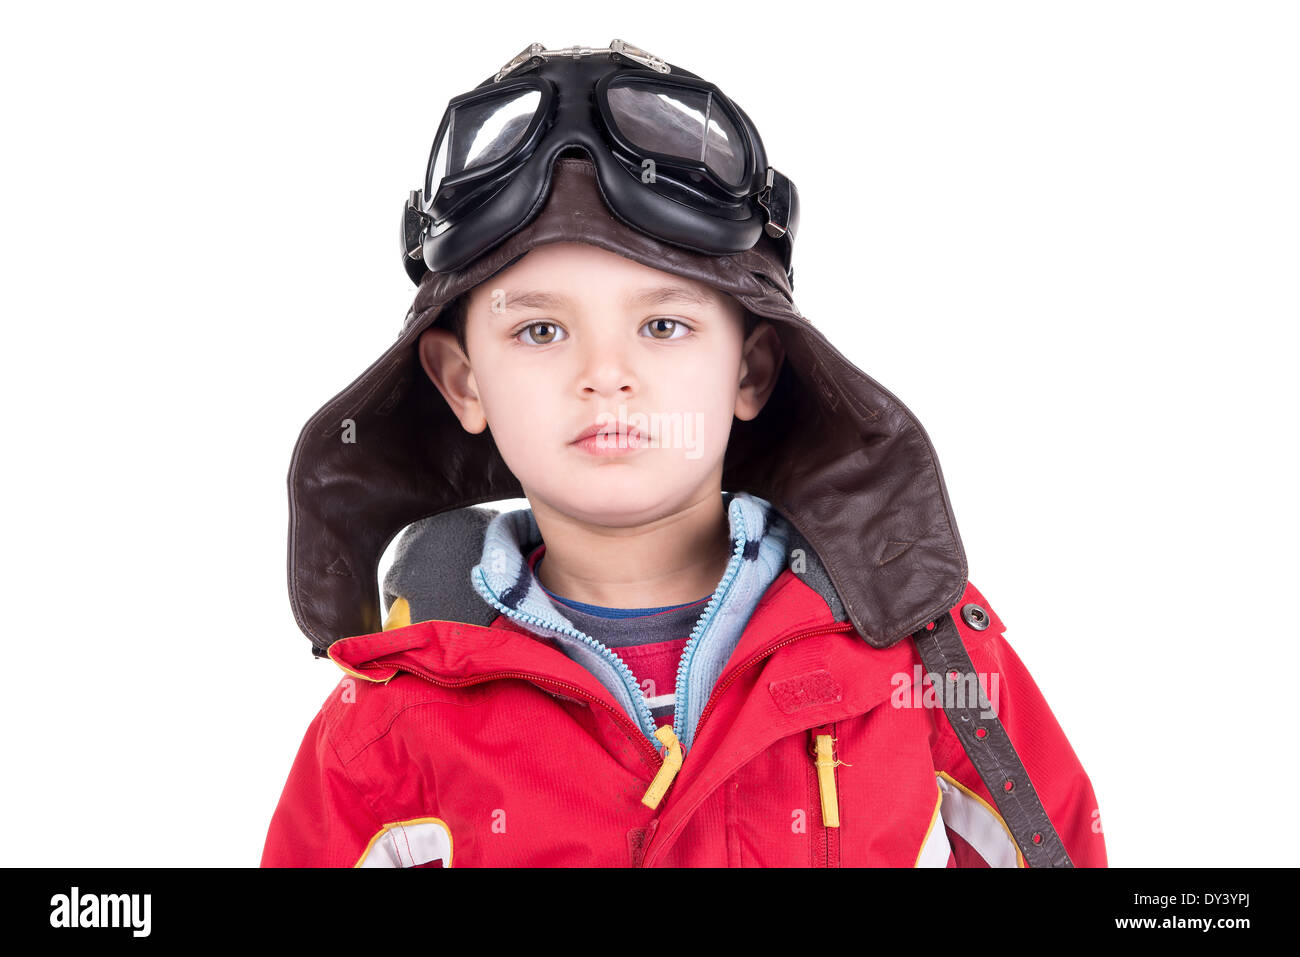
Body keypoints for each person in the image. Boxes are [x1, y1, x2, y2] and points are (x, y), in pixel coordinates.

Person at [261, 40, 1107, 867]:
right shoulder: (380, 733)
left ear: (751, 369)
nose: (606, 375)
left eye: (664, 325)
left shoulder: (930, 665)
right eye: (541, 329)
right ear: (462, 383)